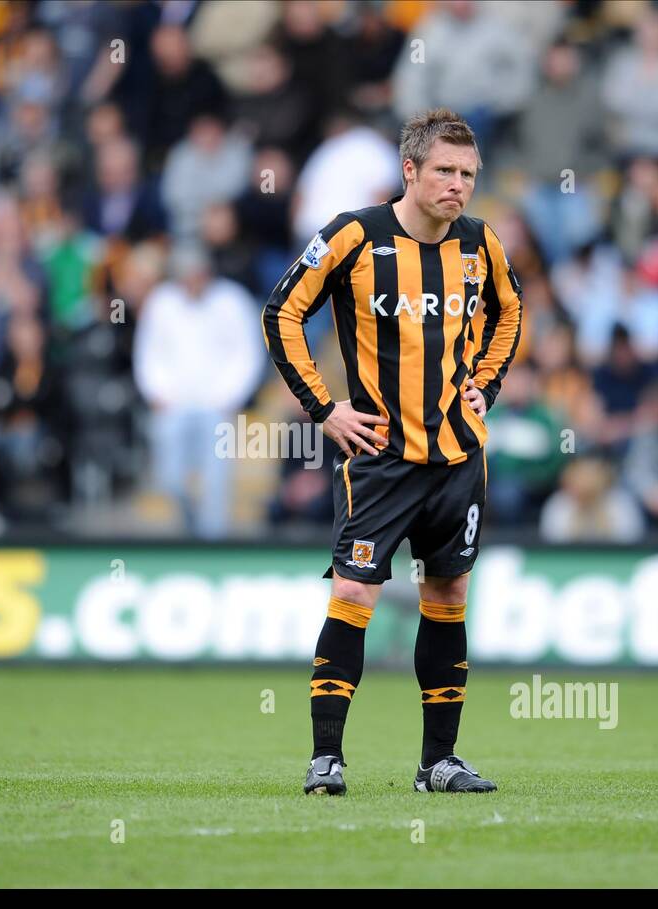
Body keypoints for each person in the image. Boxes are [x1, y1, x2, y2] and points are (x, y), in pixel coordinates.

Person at [262, 108, 521, 796]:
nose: (457, 185)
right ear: (410, 170)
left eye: (468, 174)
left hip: (459, 457)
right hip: (381, 456)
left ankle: (439, 763)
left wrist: (486, 386)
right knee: (353, 590)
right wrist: (324, 408)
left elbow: (511, 311)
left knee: (449, 593)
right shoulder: (354, 235)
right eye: (444, 170)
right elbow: (282, 310)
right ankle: (327, 758)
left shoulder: (480, 243)